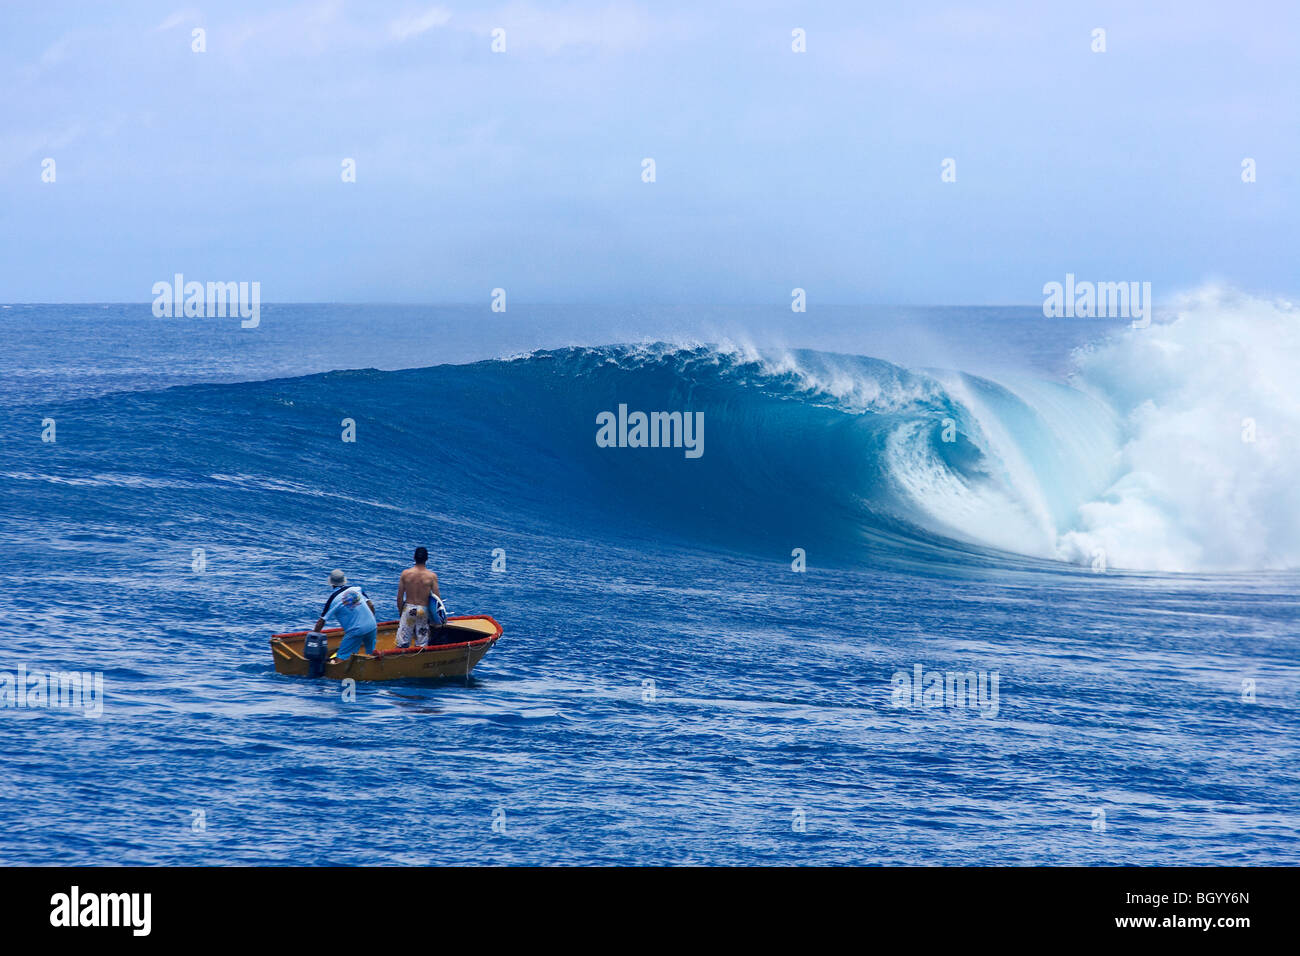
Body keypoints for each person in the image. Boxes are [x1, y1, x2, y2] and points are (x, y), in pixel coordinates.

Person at [314, 569, 378, 661]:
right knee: (371, 653)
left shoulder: (333, 598)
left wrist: (314, 636)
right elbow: (371, 605)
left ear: (331, 583)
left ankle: (338, 672)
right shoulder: (356, 589)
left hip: (356, 630)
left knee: (342, 657)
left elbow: (321, 621)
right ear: (344, 580)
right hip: (372, 625)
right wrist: (369, 621)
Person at [395, 547, 445, 649]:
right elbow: (437, 600)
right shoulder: (431, 576)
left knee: (402, 642)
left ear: (414, 557)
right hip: (423, 610)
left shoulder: (405, 574)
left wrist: (401, 612)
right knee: (421, 644)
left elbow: (399, 597)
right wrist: (437, 620)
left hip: (408, 609)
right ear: (427, 559)